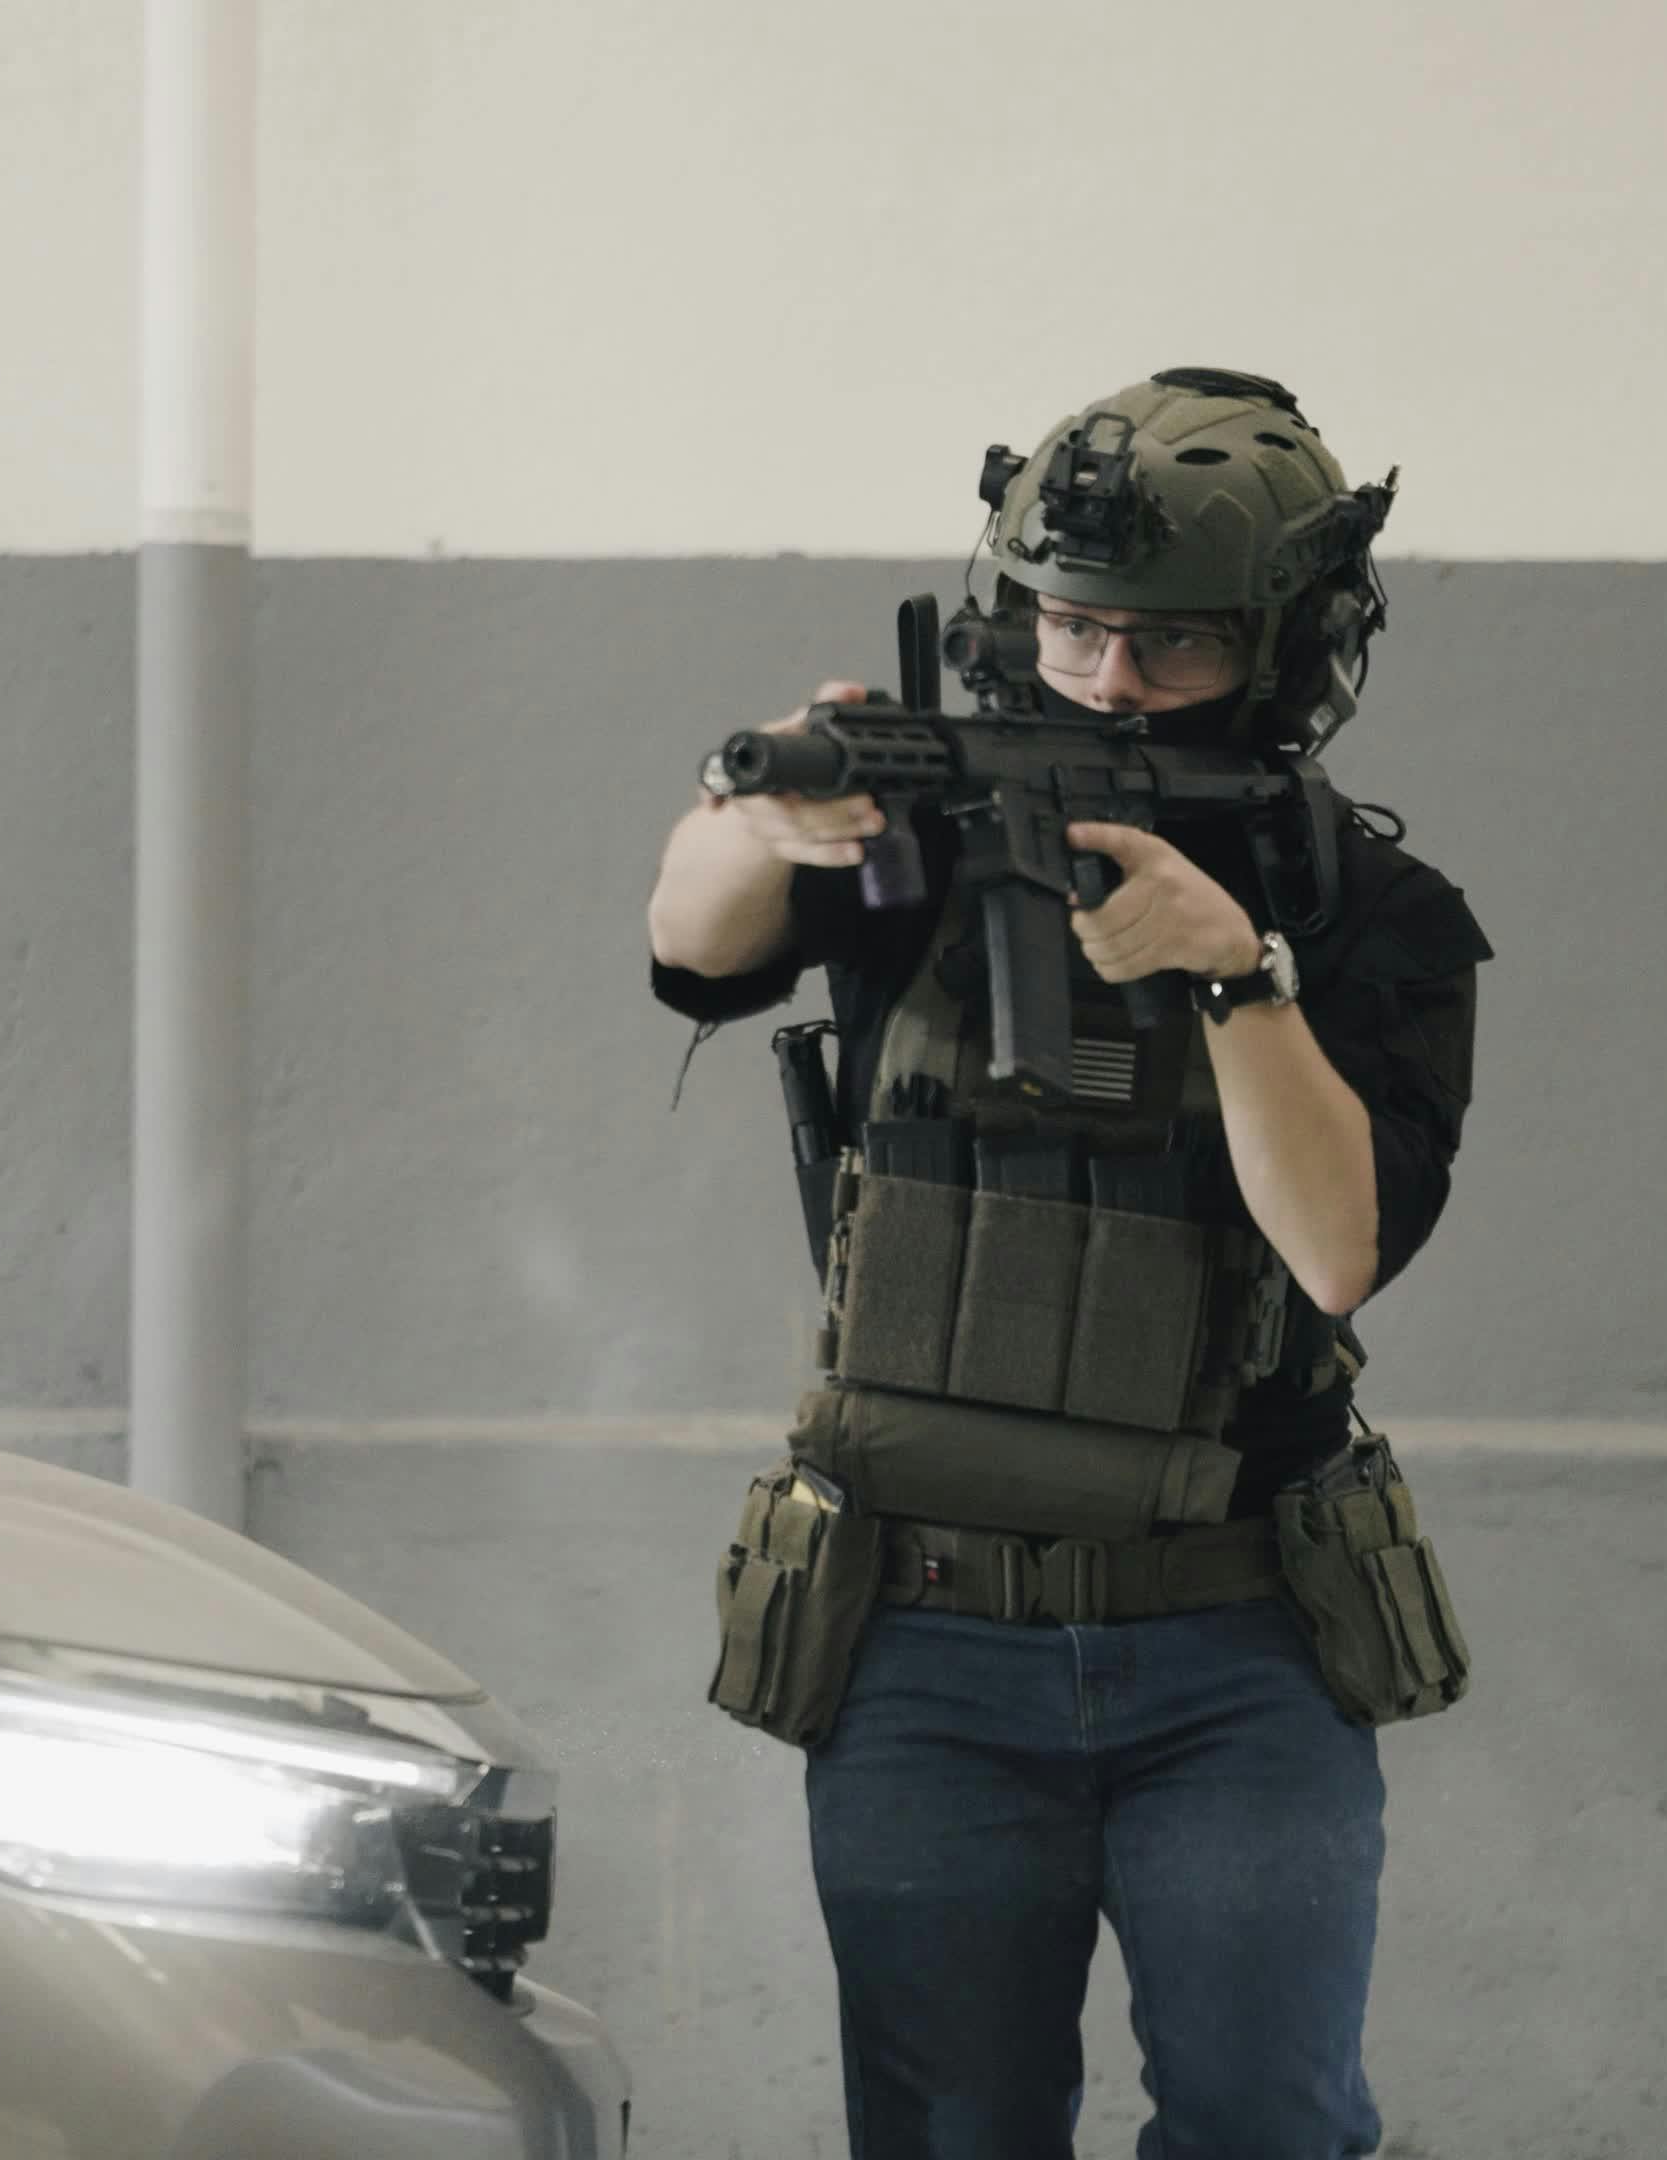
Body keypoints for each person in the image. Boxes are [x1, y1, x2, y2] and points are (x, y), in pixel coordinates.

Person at [645, 369, 1491, 2158]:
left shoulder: (1365, 914)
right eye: (1072, 629)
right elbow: (693, 947)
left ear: (1281, 649)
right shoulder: (924, 846)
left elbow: (1336, 1250)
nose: (1106, 682)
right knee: (951, 2128)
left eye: (1170, 645)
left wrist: (1239, 976)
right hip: (926, 1631)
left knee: (1269, 2121)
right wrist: (754, 811)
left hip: (1236, 1632)